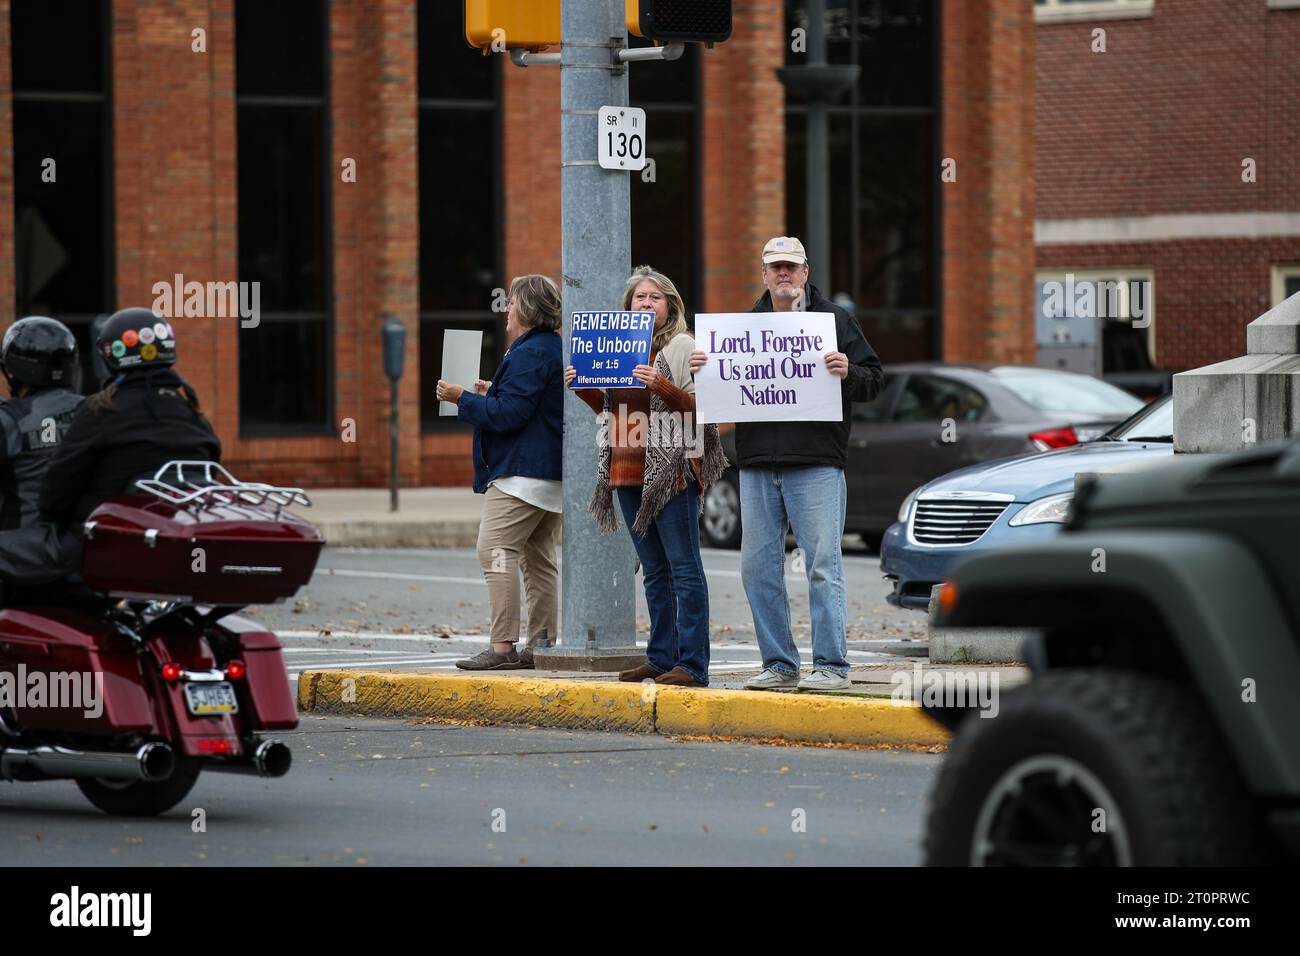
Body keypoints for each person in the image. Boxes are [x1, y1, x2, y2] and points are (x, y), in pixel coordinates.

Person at [690, 237, 883, 690]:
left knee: (822, 564)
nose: (783, 275)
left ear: (805, 272)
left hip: (816, 462)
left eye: (791, 268)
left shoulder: (835, 322)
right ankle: (779, 664)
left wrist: (848, 371)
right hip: (757, 463)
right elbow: (718, 390)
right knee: (757, 568)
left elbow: (874, 381)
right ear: (763, 274)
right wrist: (703, 367)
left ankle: (832, 666)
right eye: (775, 267)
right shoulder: (742, 329)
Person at [567, 266, 727, 687]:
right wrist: (582, 387)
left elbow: (704, 412)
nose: (646, 303)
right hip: (626, 466)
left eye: (655, 298)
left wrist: (664, 387)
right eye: (640, 297)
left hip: (670, 469)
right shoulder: (617, 347)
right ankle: (661, 658)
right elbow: (610, 412)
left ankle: (692, 665)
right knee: (655, 569)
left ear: (670, 306)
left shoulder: (681, 346)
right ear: (628, 306)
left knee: (684, 567)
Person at [437, 275, 564, 671]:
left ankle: (503, 647)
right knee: (538, 559)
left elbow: (510, 415)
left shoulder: (529, 353)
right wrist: (491, 391)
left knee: (493, 550)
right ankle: (540, 645)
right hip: (547, 475)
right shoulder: (547, 348)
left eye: (511, 302)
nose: (506, 308)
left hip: (522, 477)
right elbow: (530, 405)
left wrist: (464, 399)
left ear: (526, 309)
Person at [39, 308, 221, 557]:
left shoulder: (100, 409)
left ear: (109, 355)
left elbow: (57, 487)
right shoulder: (193, 414)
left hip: (106, 544)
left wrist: (51, 516)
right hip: (178, 542)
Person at [0, 317, 85, 591]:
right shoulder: (97, 412)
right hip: (85, 557)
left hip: (24, 563)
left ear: (12, 370)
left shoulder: (11, 420)